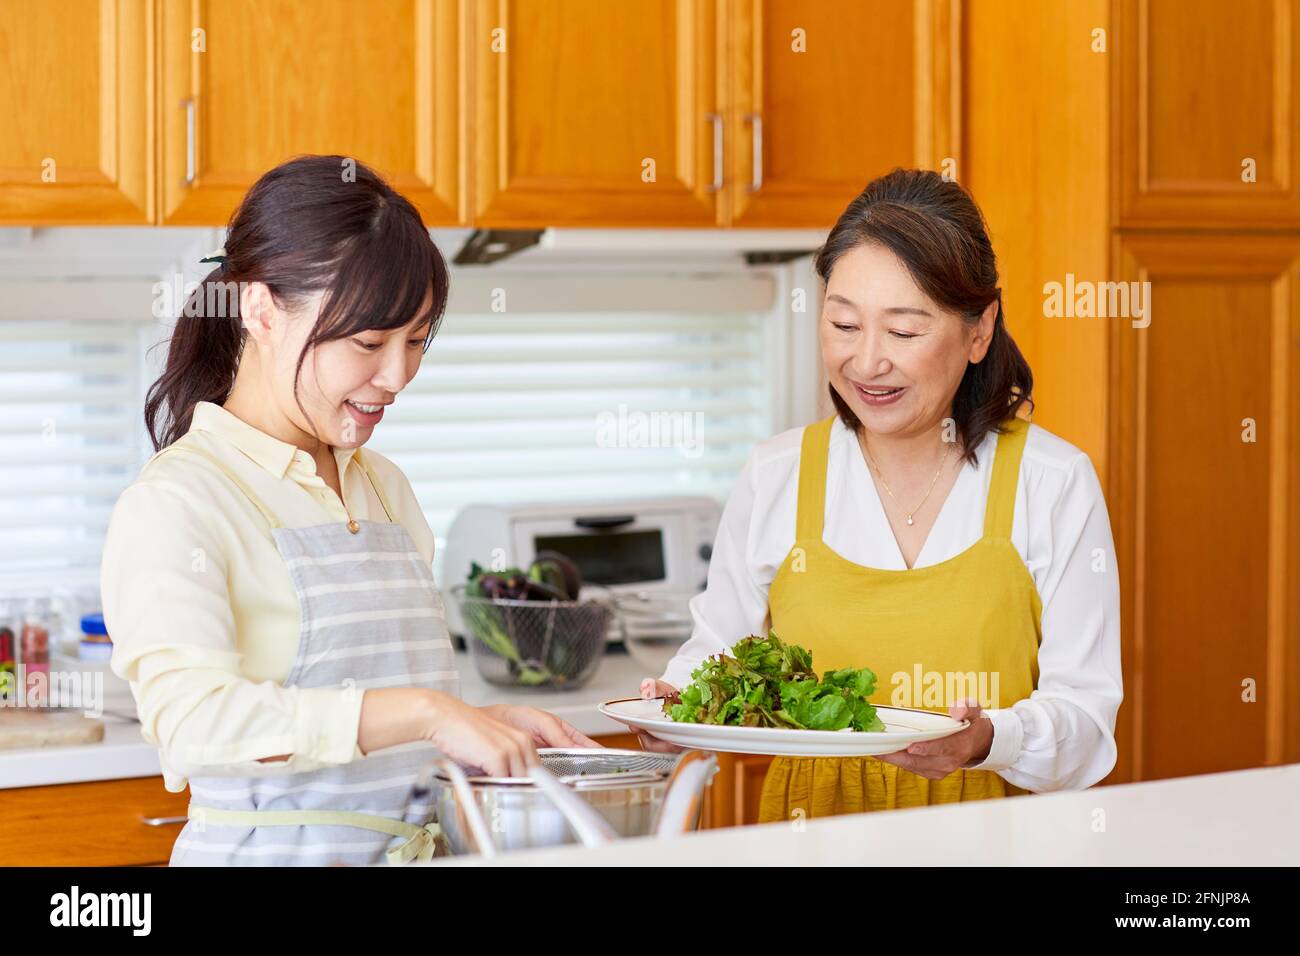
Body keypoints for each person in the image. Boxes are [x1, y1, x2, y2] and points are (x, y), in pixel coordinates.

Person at [101, 156, 597, 866]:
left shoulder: (383, 484)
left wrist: (472, 723)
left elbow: (362, 726)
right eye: (368, 342)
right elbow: (193, 725)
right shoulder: (179, 501)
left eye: (418, 340)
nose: (397, 376)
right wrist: (430, 711)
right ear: (262, 309)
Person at [633, 168, 1122, 822]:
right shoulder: (775, 474)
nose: (866, 363)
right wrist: (676, 708)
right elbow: (714, 657)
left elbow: (1087, 724)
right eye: (843, 325)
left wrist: (986, 740)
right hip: (810, 834)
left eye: (904, 331)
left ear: (979, 331)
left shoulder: (1054, 483)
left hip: (998, 835)